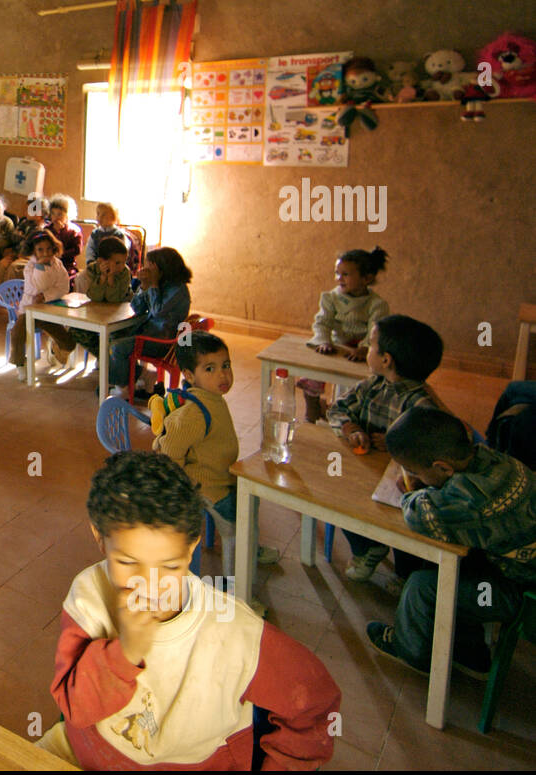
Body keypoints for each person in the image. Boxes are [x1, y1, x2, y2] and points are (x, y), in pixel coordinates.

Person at [39, 451, 340, 770]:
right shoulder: (89, 596)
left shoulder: (235, 631)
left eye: (168, 566)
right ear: (100, 538)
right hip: (86, 752)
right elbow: (75, 706)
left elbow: (314, 704)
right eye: (128, 562)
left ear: (191, 546)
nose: (150, 585)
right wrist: (123, 654)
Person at [368, 408, 536, 678]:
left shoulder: (471, 500)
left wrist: (412, 490)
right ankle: (469, 652)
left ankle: (409, 649)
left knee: (424, 586)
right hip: (517, 565)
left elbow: (417, 515)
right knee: (453, 561)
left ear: (442, 467)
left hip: (522, 594)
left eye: (415, 471)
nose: (413, 475)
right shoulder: (491, 458)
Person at [154, 331, 279, 585]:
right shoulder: (194, 413)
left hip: (221, 476)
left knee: (251, 505)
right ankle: (235, 589)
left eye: (226, 366)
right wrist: (182, 489)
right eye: (210, 369)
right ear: (190, 376)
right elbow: (168, 450)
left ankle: (250, 549)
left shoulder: (212, 397)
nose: (223, 375)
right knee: (236, 528)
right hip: (208, 488)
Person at [330, 315, 447, 585]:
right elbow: (338, 408)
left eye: (371, 344)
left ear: (387, 360)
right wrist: (350, 428)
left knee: (407, 523)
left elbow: (432, 452)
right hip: (363, 475)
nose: (366, 348)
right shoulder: (372, 385)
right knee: (339, 496)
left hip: (398, 487)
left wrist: (398, 444)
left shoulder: (421, 404)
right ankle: (367, 548)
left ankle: (406, 575)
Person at [301, 247, 390, 422]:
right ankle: (313, 405)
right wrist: (324, 342)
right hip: (336, 345)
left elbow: (375, 330)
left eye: (345, 274)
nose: (338, 279)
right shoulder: (331, 298)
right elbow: (322, 322)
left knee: (351, 385)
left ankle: (340, 412)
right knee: (314, 369)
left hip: (361, 351)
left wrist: (364, 348)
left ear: (367, 278)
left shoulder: (376, 304)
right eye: (337, 273)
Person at [105, 247, 193, 396]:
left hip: (162, 341)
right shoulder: (160, 285)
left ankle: (124, 388)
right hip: (149, 333)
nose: (145, 269)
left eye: (149, 266)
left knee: (118, 348)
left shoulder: (178, 290)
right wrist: (144, 287)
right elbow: (137, 308)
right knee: (113, 337)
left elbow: (158, 311)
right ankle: (140, 377)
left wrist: (153, 284)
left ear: (162, 269)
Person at [11, 231, 75, 380]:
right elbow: (35, 287)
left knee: (69, 343)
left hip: (49, 310)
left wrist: (46, 296)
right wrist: (40, 268)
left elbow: (63, 287)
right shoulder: (30, 267)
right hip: (29, 309)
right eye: (40, 249)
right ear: (33, 250)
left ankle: (56, 349)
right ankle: (20, 363)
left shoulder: (58, 265)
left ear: (54, 248)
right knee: (17, 332)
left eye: (48, 249)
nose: (45, 253)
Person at [74, 235, 133, 304]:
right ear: (101, 261)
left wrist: (111, 278)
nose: (122, 266)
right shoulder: (91, 270)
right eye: (118, 263)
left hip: (120, 309)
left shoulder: (124, 272)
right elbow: (94, 297)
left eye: (124, 262)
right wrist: (103, 277)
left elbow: (115, 299)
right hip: (95, 309)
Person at [85, 202, 138, 274]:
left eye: (103, 215)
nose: (99, 217)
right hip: (97, 266)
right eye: (98, 214)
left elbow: (124, 251)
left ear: (113, 217)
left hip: (115, 267)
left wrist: (115, 263)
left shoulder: (119, 234)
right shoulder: (95, 234)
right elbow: (90, 249)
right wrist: (91, 262)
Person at [45, 193, 83, 277]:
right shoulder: (47, 229)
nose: (56, 217)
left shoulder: (74, 231)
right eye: (53, 213)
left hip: (66, 265)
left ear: (67, 215)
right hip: (47, 262)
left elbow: (77, 250)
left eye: (59, 214)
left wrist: (61, 254)